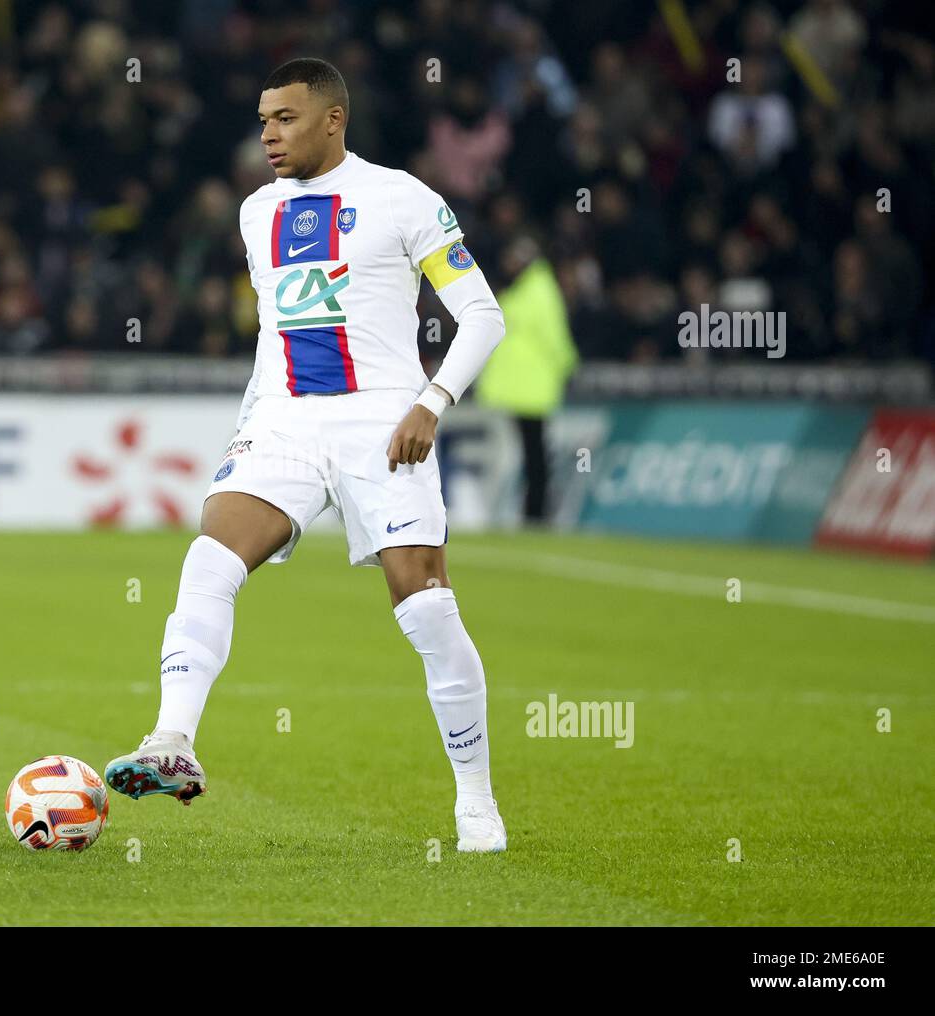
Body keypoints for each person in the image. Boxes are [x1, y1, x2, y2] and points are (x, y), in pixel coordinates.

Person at [104, 58, 509, 852]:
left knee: (424, 608)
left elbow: (483, 316)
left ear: (333, 119)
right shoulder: (258, 213)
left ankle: (476, 804)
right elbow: (275, 331)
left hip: (382, 421)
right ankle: (172, 743)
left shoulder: (402, 198)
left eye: (285, 118)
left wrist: (433, 403)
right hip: (286, 421)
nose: (268, 134)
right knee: (208, 561)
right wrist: (252, 419)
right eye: (262, 120)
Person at [475, 237, 579, 522]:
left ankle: (536, 511)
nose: (508, 263)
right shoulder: (528, 289)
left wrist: (568, 366)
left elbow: (554, 335)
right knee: (531, 450)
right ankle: (532, 509)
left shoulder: (538, 291)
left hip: (531, 388)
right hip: (522, 388)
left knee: (534, 452)